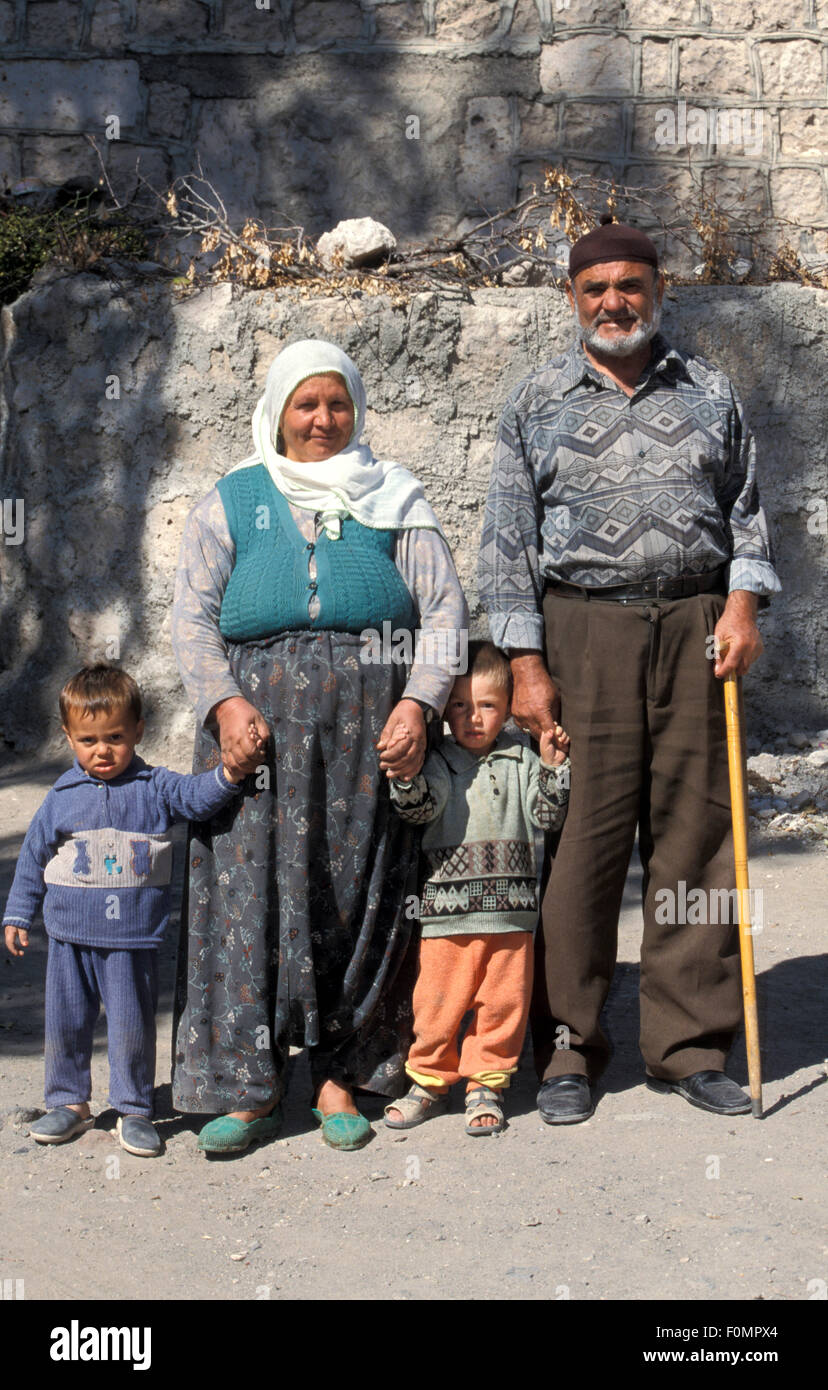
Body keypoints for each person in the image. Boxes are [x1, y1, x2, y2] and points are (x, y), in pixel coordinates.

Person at [478, 217, 781, 1123]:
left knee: (696, 839)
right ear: (572, 299)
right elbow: (505, 549)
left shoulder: (712, 393)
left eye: (631, 285)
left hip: (696, 626)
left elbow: (748, 518)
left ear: (661, 290)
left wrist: (741, 606)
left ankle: (689, 1045)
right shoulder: (534, 400)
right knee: (582, 841)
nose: (614, 301)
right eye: (594, 288)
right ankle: (570, 1044)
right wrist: (526, 667)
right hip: (585, 632)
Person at [171, 338, 468, 1153]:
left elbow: (444, 614)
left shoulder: (394, 497)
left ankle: (342, 1076)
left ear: (357, 409)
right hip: (253, 738)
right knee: (246, 899)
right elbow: (191, 619)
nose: (323, 420)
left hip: (369, 737)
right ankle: (250, 1086)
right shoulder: (232, 500)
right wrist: (226, 705)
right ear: (278, 410)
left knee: (357, 897)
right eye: (307, 404)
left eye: (337, 404)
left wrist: (418, 703)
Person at [1, 665, 242, 1157]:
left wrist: (230, 774)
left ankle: (134, 1108)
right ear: (68, 737)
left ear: (138, 730)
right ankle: (69, 1102)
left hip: (131, 938)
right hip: (70, 935)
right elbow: (33, 857)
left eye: (114, 736)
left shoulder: (155, 786)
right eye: (87, 739)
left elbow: (197, 799)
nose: (102, 750)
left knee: (131, 1026)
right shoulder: (61, 797)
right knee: (66, 1021)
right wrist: (17, 914)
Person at [384, 641, 570, 1136]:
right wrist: (404, 778)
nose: (473, 718)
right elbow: (419, 811)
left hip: (512, 916)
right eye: (460, 706)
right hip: (448, 914)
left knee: (502, 1005)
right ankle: (428, 1081)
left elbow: (547, 816)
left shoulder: (522, 759)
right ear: (444, 711)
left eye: (487, 705)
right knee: (438, 1004)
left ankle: (486, 1083)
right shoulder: (439, 762)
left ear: (508, 707)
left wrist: (552, 766)